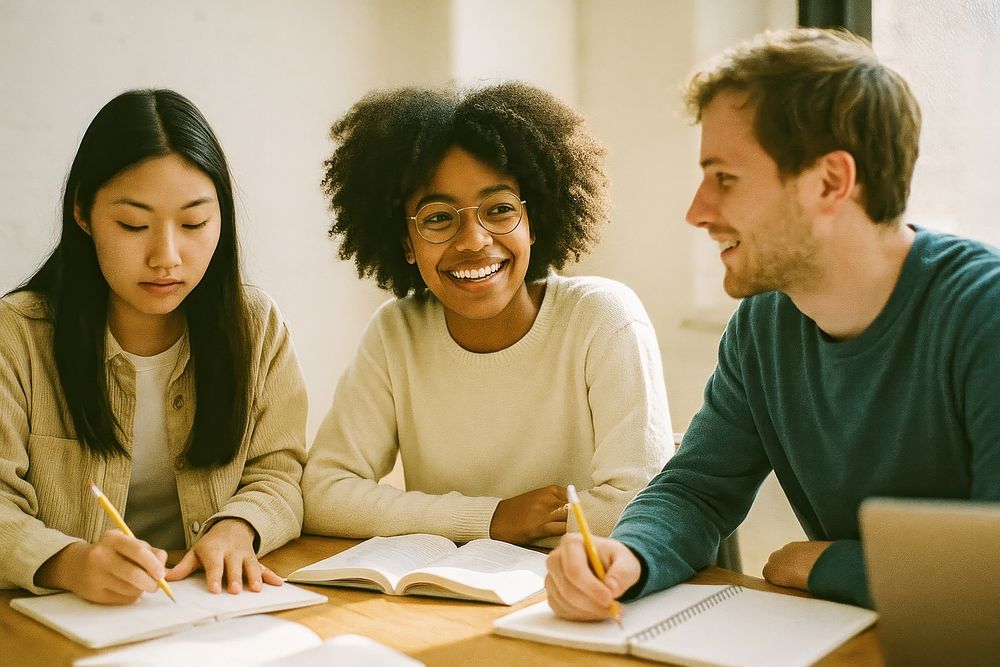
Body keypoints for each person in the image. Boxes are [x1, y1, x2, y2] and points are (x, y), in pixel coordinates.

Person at [545, 27, 1000, 615]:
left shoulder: (983, 313)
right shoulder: (764, 324)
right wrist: (627, 556)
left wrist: (828, 563)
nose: (697, 211)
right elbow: (697, 490)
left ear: (830, 183)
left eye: (725, 179)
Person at [302, 82, 672, 547]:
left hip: (579, 596)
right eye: (438, 217)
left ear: (534, 222)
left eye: (499, 209)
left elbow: (640, 506)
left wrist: (480, 524)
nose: (474, 240)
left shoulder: (601, 318)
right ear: (405, 243)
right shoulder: (397, 332)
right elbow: (323, 494)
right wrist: (492, 519)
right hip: (446, 597)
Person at [0, 89, 308, 604]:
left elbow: (280, 469)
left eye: (193, 224)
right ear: (83, 214)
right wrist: (68, 563)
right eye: (133, 225)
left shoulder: (257, 327)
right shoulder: (17, 335)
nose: (166, 256)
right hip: (68, 618)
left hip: (212, 610)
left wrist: (238, 526)